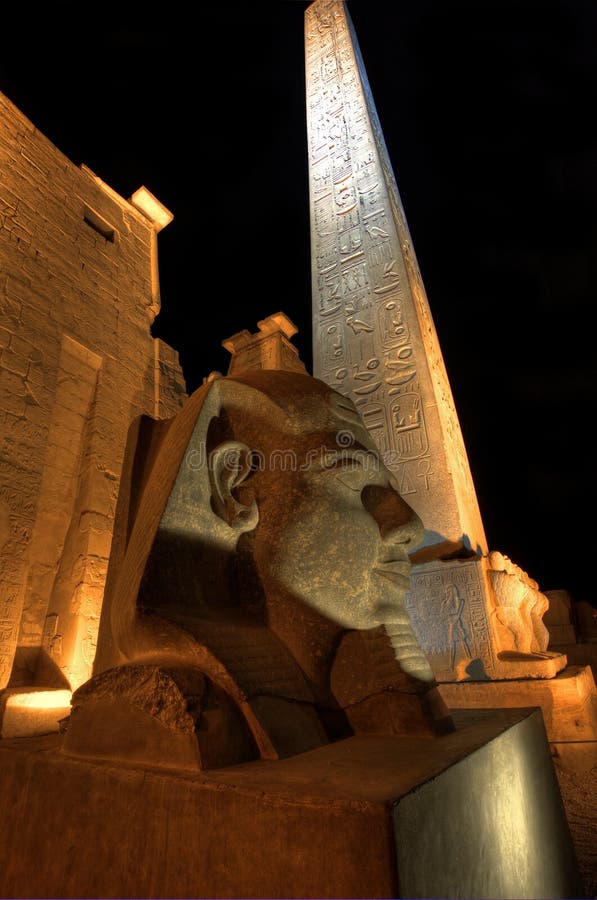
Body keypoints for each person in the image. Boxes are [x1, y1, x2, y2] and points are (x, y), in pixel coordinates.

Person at [63, 369, 453, 770]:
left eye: (391, 490)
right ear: (233, 488)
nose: (410, 525)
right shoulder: (182, 709)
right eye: (353, 477)